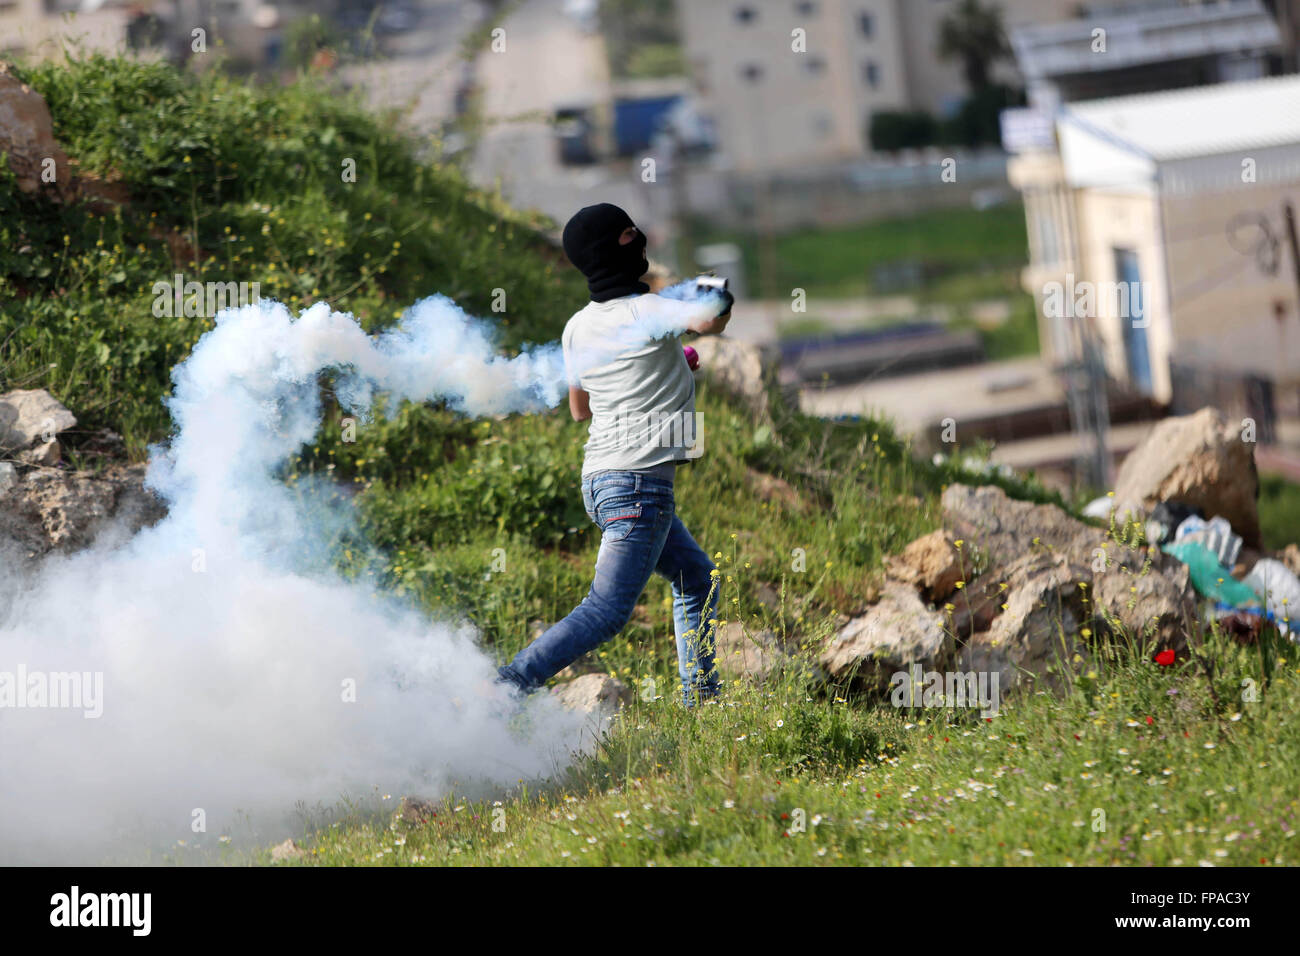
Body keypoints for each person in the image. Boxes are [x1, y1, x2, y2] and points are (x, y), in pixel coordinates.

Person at [497, 203, 734, 707]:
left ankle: (703, 701)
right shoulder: (648, 310)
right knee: (605, 611)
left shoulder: (577, 327)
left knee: (699, 578)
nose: (640, 237)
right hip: (640, 487)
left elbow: (579, 408)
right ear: (615, 247)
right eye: (630, 233)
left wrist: (666, 365)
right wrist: (716, 290)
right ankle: (507, 686)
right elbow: (711, 320)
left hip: (602, 482)